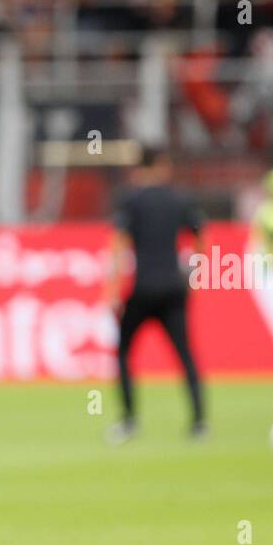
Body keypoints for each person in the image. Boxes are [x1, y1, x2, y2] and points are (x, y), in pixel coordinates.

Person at [104, 146, 207, 442]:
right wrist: (195, 274)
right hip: (175, 288)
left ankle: (128, 422)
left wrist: (112, 292)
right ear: (162, 166)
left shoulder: (131, 200)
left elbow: (119, 246)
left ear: (139, 168)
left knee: (123, 353)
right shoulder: (179, 199)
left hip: (143, 288)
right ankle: (199, 423)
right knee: (185, 355)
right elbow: (201, 233)